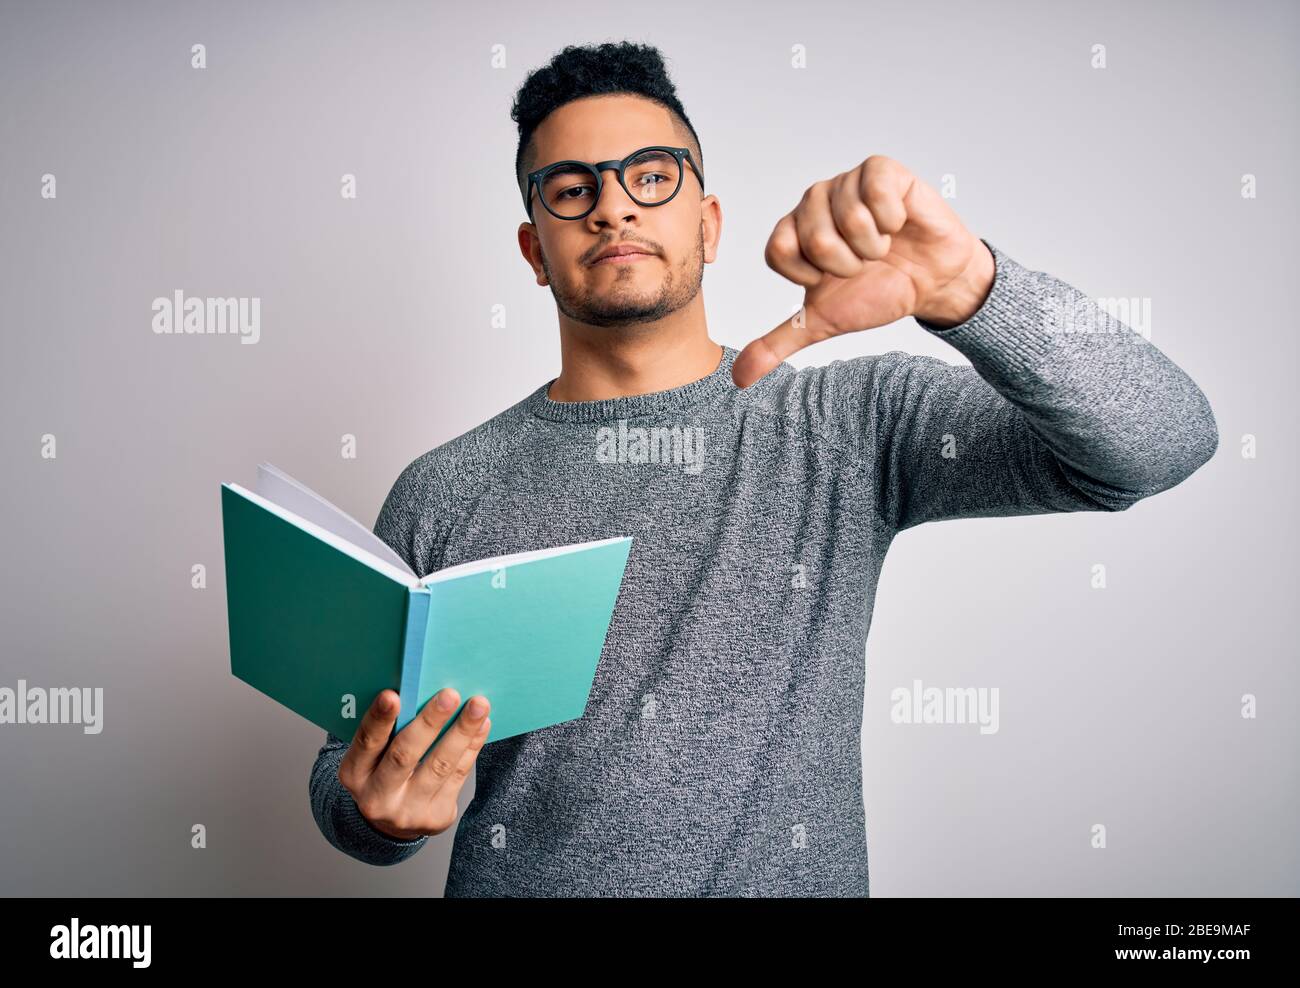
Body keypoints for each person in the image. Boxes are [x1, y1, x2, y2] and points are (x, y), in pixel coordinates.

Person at [309, 41, 1218, 896]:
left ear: (707, 225)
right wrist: (378, 817)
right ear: (533, 249)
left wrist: (967, 288)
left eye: (650, 177)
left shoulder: (848, 422)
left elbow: (1162, 441)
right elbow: (342, 775)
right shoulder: (445, 489)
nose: (614, 207)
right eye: (571, 189)